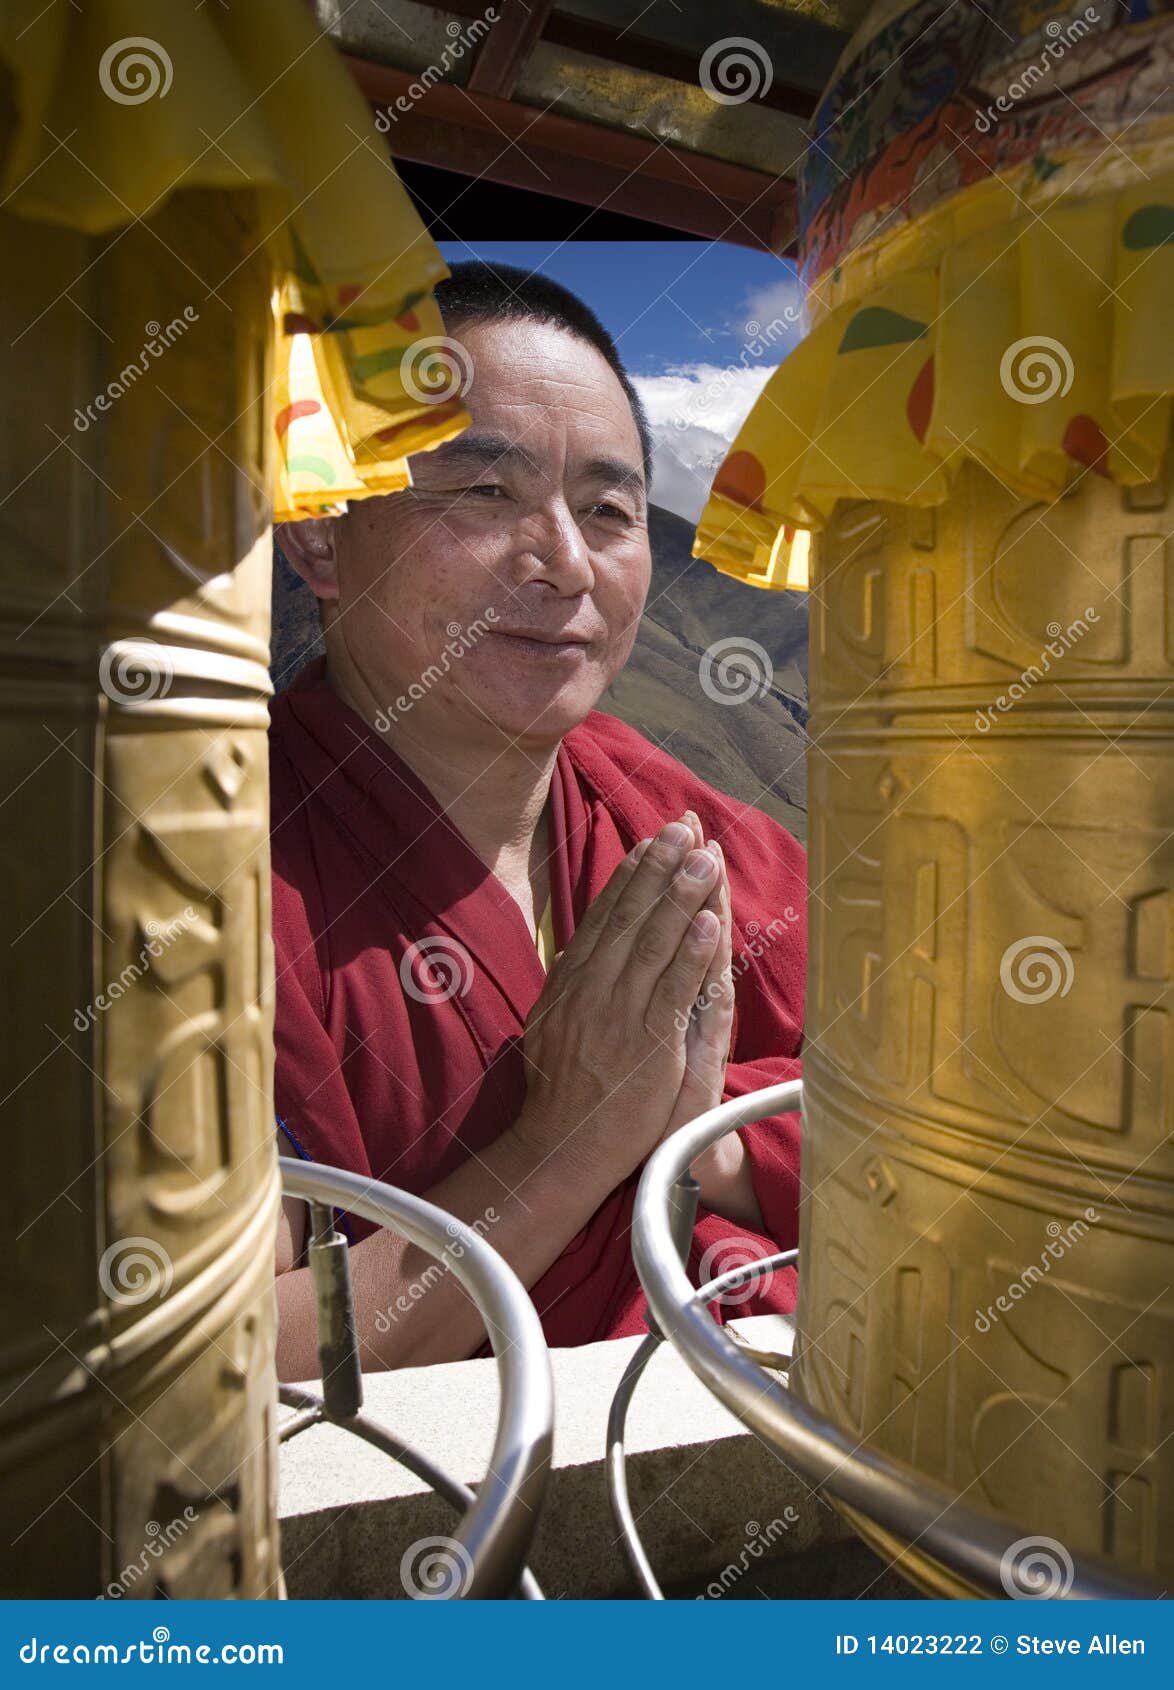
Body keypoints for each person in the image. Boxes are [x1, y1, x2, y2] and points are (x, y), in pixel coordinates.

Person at [271, 262, 806, 1376]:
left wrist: (701, 1142)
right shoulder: (215, 877)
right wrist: (572, 1143)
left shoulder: (666, 821)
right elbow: (216, 1359)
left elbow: (949, 1085)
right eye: (483, 493)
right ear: (320, 536)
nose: (564, 561)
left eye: (609, 511)